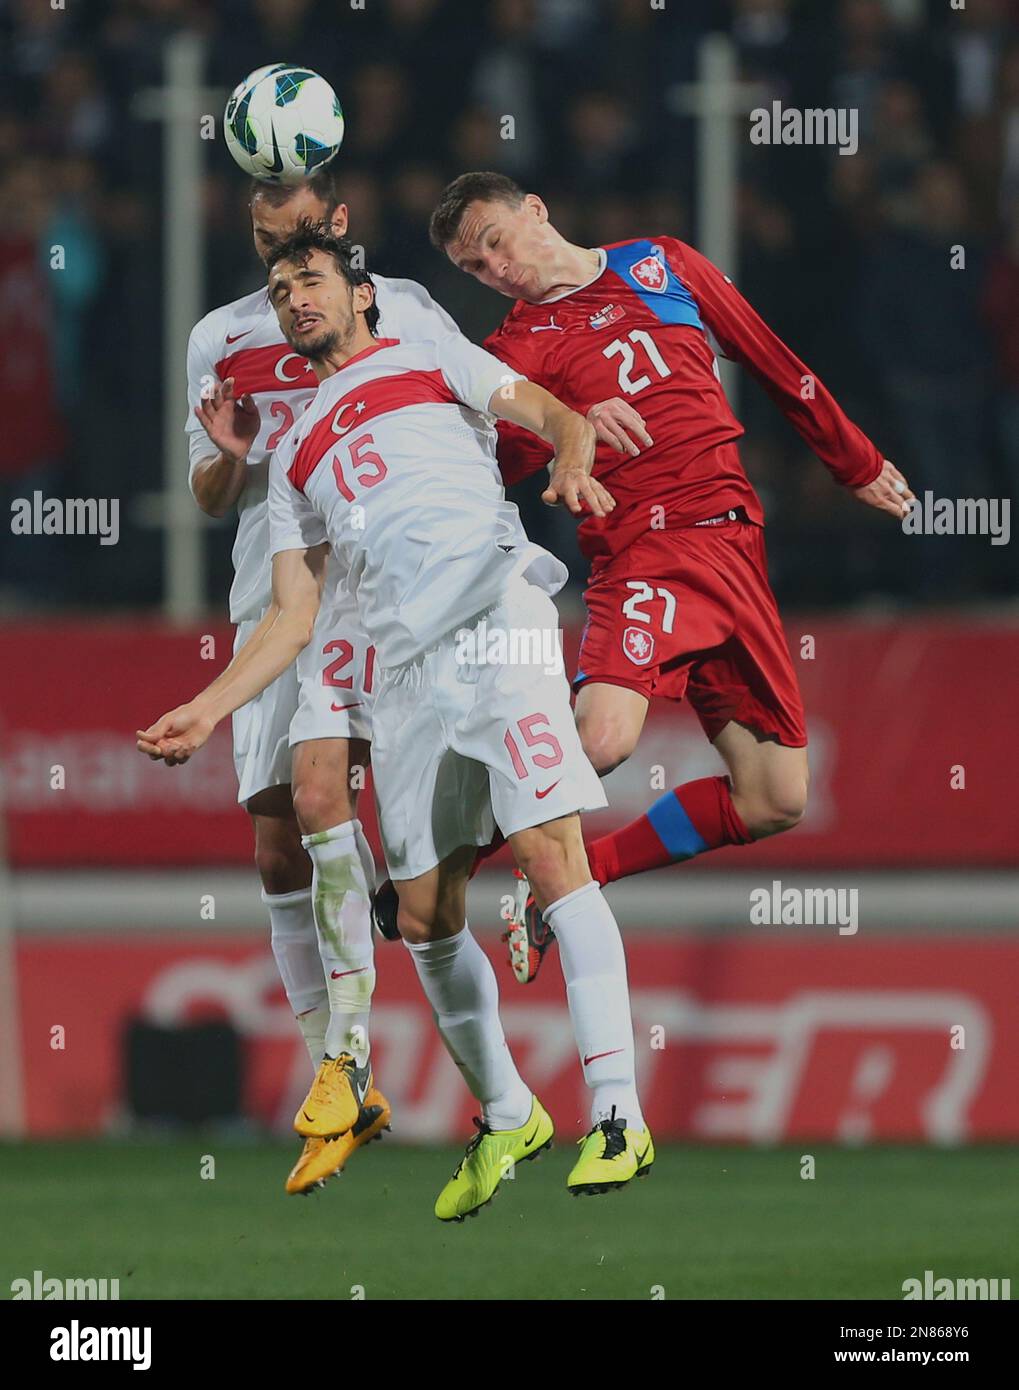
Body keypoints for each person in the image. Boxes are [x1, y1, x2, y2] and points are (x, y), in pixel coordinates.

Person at [141, 225, 654, 1219]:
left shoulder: (428, 347)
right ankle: (508, 1111)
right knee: (422, 916)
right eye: (281, 286)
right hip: (406, 673)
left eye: (313, 279)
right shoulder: (289, 459)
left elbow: (544, 408)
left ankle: (617, 1112)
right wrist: (207, 710)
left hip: (496, 619)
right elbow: (293, 618)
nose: (295, 297)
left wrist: (573, 451)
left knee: (554, 857)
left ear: (362, 293)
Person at [429, 171, 914, 982]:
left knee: (773, 798)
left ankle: (566, 885)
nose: (495, 268)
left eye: (493, 241)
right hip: (645, 547)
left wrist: (852, 460)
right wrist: (566, 431)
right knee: (601, 740)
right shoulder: (512, 355)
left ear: (535, 210)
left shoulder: (661, 264)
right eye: (474, 268)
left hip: (735, 548)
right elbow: (477, 470)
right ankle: (443, 863)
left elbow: (772, 361)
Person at [186, 166, 460, 1193]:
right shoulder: (219, 338)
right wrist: (228, 455)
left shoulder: (407, 309)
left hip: (384, 590)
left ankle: (367, 1052)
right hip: (277, 591)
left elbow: (461, 411)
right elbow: (211, 492)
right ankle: (341, 1077)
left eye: (296, 237)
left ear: (339, 224)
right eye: (263, 241)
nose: (279, 262)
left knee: (390, 840)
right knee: (274, 843)